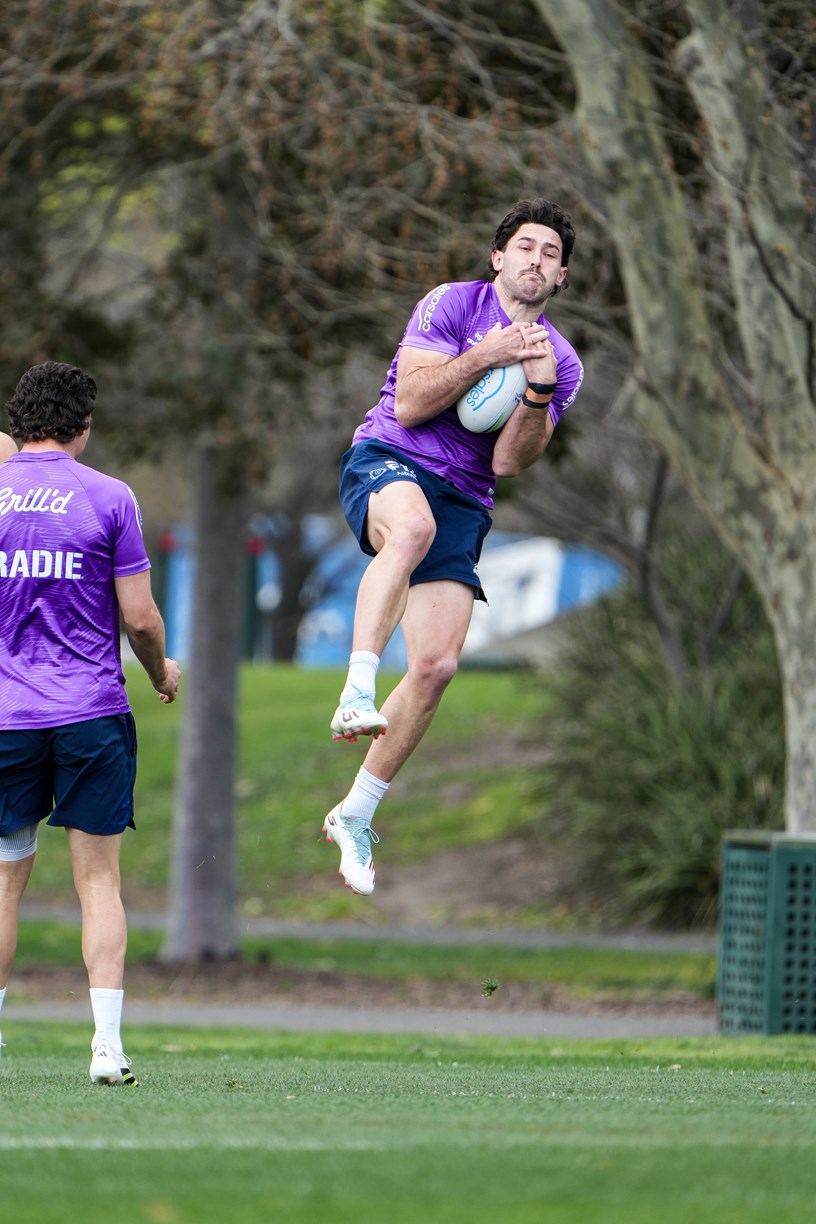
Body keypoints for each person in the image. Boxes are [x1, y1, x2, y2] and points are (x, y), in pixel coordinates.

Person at [323, 197, 584, 895]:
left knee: (437, 666)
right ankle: (356, 688)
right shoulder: (452, 304)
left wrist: (535, 395)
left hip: (466, 497)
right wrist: (486, 356)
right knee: (410, 529)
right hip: (389, 458)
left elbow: (507, 463)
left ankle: (356, 813)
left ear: (560, 279)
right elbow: (411, 403)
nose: (536, 260)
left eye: (551, 254)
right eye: (525, 247)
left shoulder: (562, 360)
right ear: (499, 258)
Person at [0, 361, 181, 1086]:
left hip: (6, 719)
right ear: (84, 426)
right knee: (98, 883)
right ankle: (106, 1046)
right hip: (89, 715)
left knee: (5, 885)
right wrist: (162, 669)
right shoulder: (109, 496)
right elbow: (138, 617)